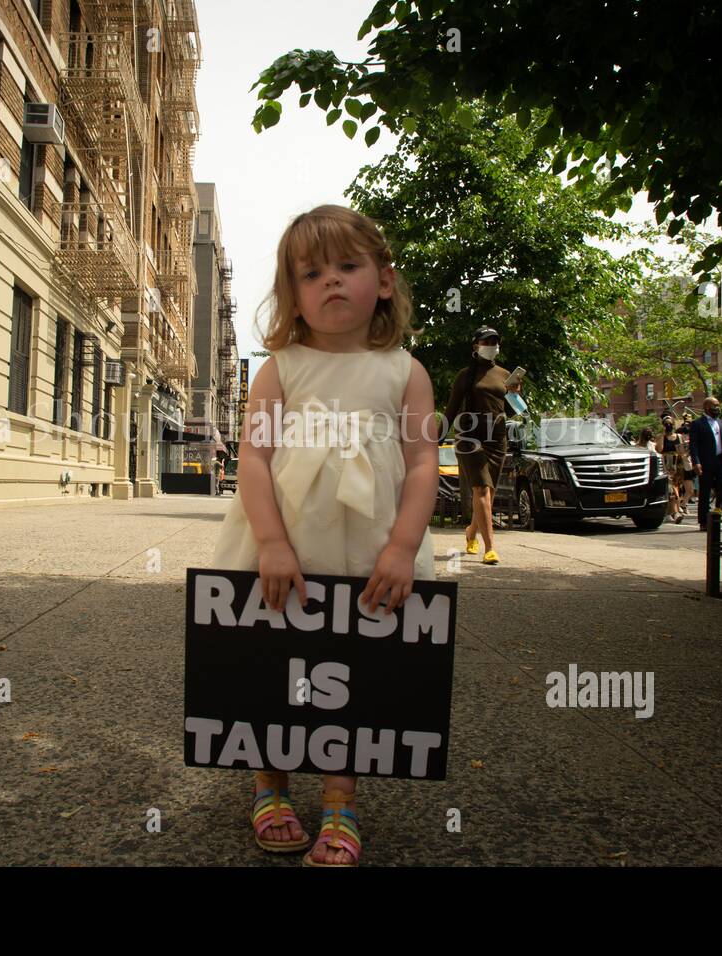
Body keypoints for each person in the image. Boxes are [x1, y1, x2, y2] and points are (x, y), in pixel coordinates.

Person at [209, 204, 438, 867]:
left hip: (369, 545)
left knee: (353, 666)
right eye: (311, 273)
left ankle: (341, 797)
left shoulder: (406, 371)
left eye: (348, 265)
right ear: (293, 295)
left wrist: (401, 547)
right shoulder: (280, 367)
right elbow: (253, 458)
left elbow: (424, 463)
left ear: (385, 281)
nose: (331, 281)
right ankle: (270, 786)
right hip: (282, 540)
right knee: (272, 660)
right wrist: (272, 542)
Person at [443, 326, 510, 565]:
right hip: (469, 437)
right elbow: (450, 410)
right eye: (487, 341)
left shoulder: (504, 375)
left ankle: (471, 532)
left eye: (495, 341)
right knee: (481, 489)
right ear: (476, 346)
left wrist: (515, 393)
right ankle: (490, 548)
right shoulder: (465, 375)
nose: (492, 345)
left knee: (487, 494)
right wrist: (436, 439)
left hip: (497, 439)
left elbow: (513, 410)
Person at [687, 396, 722, 530]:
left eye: (718, 406)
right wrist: (696, 462)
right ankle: (704, 522)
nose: (717, 408)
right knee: (705, 492)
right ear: (706, 408)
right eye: (714, 406)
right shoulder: (698, 424)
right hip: (706, 462)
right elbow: (693, 445)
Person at [658, 415, 684, 524]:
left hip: (677, 465)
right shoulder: (662, 437)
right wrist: (663, 436)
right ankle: (675, 512)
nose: (669, 426)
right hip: (666, 465)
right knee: (671, 488)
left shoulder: (679, 436)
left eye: (670, 424)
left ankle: (671, 512)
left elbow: (682, 451)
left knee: (676, 488)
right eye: (666, 424)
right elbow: (659, 450)